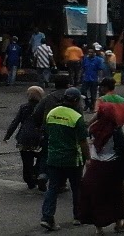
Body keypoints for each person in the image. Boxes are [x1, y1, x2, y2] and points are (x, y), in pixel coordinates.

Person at [78, 78, 124, 234]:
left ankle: (99, 228)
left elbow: (96, 118)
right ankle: (119, 223)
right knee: (117, 195)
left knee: (95, 196)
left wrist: (89, 124)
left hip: (96, 166)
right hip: (112, 166)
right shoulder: (120, 104)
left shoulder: (95, 129)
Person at [40, 87, 89, 231]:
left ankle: (47, 217)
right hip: (72, 159)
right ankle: (78, 216)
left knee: (53, 188)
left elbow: (48, 131)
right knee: (76, 188)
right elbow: (83, 141)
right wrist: (88, 159)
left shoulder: (52, 113)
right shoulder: (76, 117)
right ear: (75, 101)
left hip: (54, 157)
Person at [5, 86, 46, 190]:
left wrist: (7, 135)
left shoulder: (24, 107)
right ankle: (37, 173)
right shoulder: (43, 107)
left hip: (24, 137)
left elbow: (15, 122)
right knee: (42, 157)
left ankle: (28, 179)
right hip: (38, 136)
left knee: (26, 160)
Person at [81, 46, 106, 112]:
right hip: (86, 78)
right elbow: (83, 68)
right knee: (83, 92)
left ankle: (92, 107)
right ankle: (87, 104)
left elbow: (100, 70)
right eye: (89, 52)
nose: (89, 53)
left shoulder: (98, 60)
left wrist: (100, 79)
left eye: (91, 52)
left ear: (94, 53)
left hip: (94, 79)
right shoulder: (85, 59)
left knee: (93, 94)